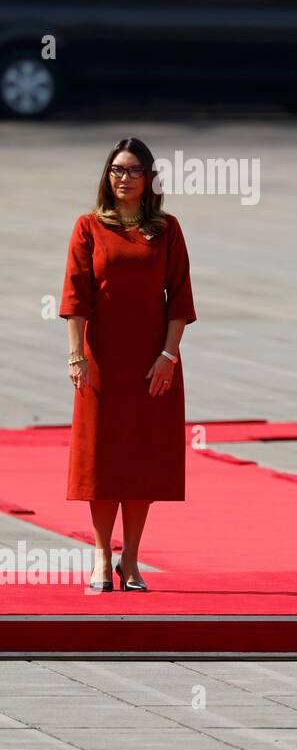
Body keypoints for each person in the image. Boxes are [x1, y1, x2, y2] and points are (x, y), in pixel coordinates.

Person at [59, 137, 197, 593]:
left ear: (149, 178)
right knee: (101, 461)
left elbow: (179, 300)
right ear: (107, 176)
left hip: (152, 362)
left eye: (134, 170)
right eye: (117, 170)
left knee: (142, 460)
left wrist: (167, 356)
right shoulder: (88, 227)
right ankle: (101, 556)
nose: (124, 178)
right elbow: (76, 297)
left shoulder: (167, 229)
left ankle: (131, 560)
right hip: (102, 360)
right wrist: (77, 355)